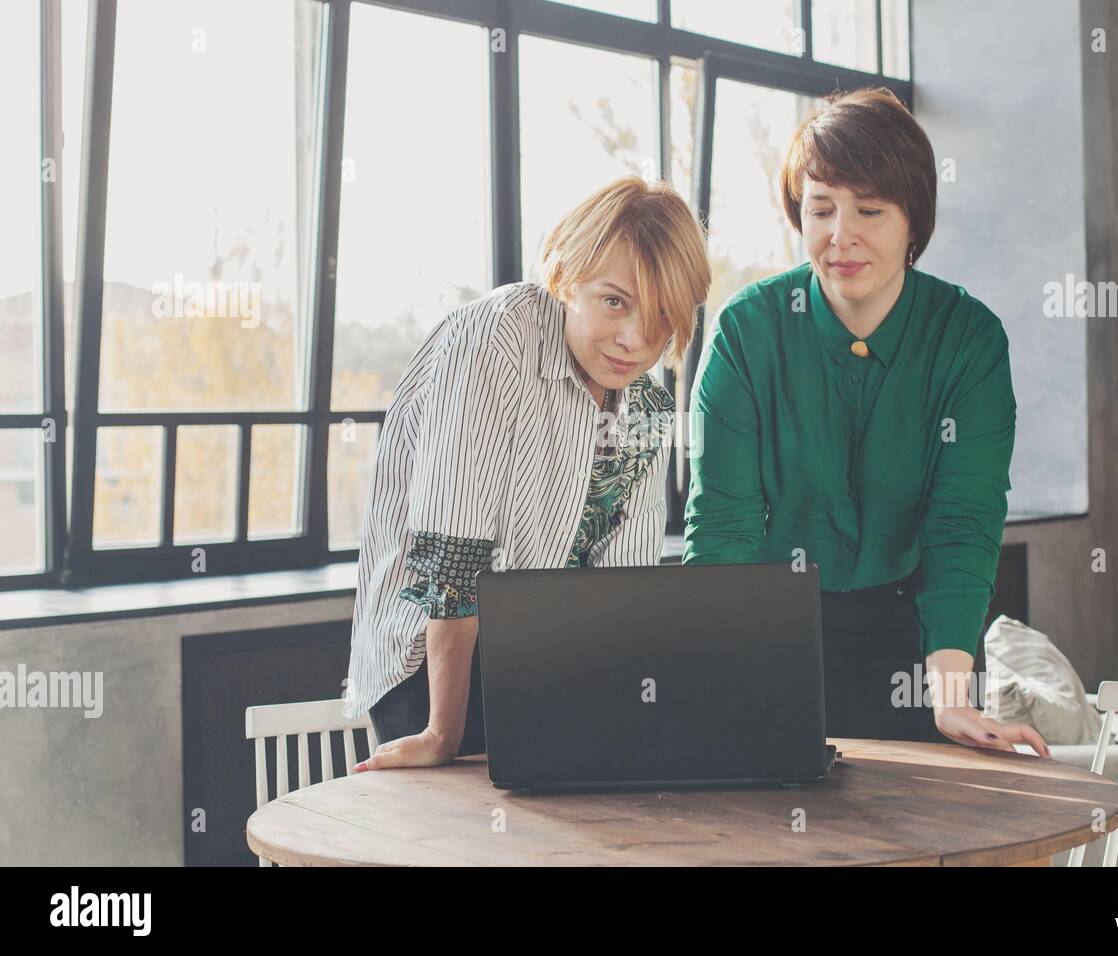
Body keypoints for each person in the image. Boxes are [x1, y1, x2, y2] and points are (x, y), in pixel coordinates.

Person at [683, 87, 1049, 757]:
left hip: (914, 633)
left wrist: (949, 693)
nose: (839, 235)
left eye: (870, 210)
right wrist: (722, 670)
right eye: (819, 209)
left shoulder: (968, 339)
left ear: (915, 221)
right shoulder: (747, 332)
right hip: (772, 627)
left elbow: (962, 521)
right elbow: (724, 523)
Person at [345, 175, 710, 771]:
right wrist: (443, 732)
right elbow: (452, 558)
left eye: (663, 314)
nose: (636, 340)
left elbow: (623, 589)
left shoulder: (647, 407)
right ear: (566, 277)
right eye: (614, 300)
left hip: (545, 659)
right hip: (430, 658)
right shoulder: (493, 338)